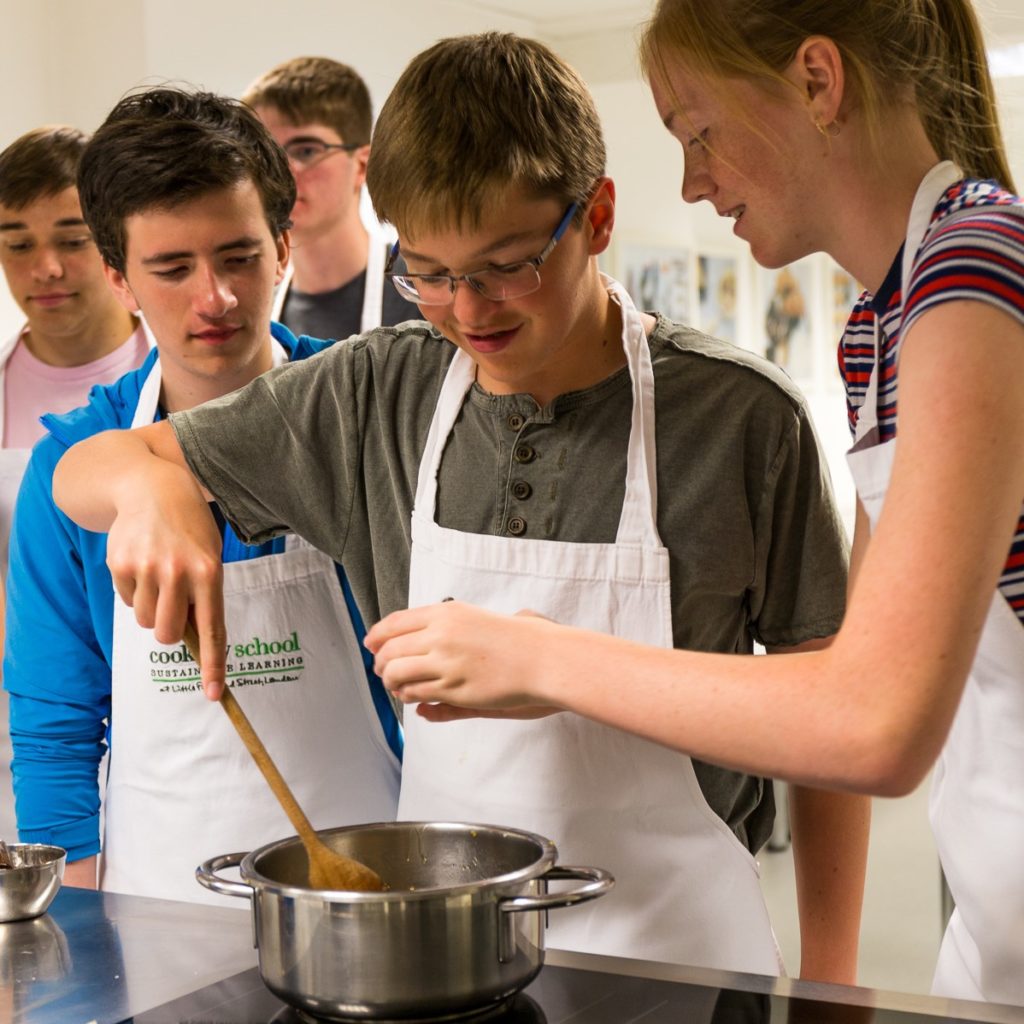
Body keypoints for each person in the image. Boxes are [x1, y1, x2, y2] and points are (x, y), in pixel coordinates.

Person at [52, 35, 866, 980]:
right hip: (451, 962)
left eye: (506, 265)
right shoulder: (378, 394)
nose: (469, 312)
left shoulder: (739, 418)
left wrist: (833, 978)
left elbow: (830, 710)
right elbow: (89, 467)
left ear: (597, 217)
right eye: (430, 274)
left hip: (684, 957)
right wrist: (152, 486)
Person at [364, 1, 1024, 1007]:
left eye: (698, 131)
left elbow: (874, 722)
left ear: (817, 82)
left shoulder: (976, 264)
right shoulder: (880, 321)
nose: (691, 180)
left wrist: (540, 657)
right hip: (994, 922)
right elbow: (859, 674)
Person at [4, 89, 401, 903]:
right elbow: (55, 725)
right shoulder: (69, 464)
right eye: (172, 269)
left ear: (283, 248)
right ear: (119, 277)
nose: (214, 297)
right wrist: (75, 920)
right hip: (159, 900)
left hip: (376, 881)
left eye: (239, 257)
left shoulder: (367, 414)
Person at [0, 126, 151, 840]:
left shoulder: (175, 376)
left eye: (72, 239)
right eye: (17, 243)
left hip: (153, 707)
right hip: (25, 717)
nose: (47, 268)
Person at [242, 56, 410, 339]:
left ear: (362, 165)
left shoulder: (422, 290)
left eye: (306, 151)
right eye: (265, 154)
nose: (279, 172)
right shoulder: (251, 308)